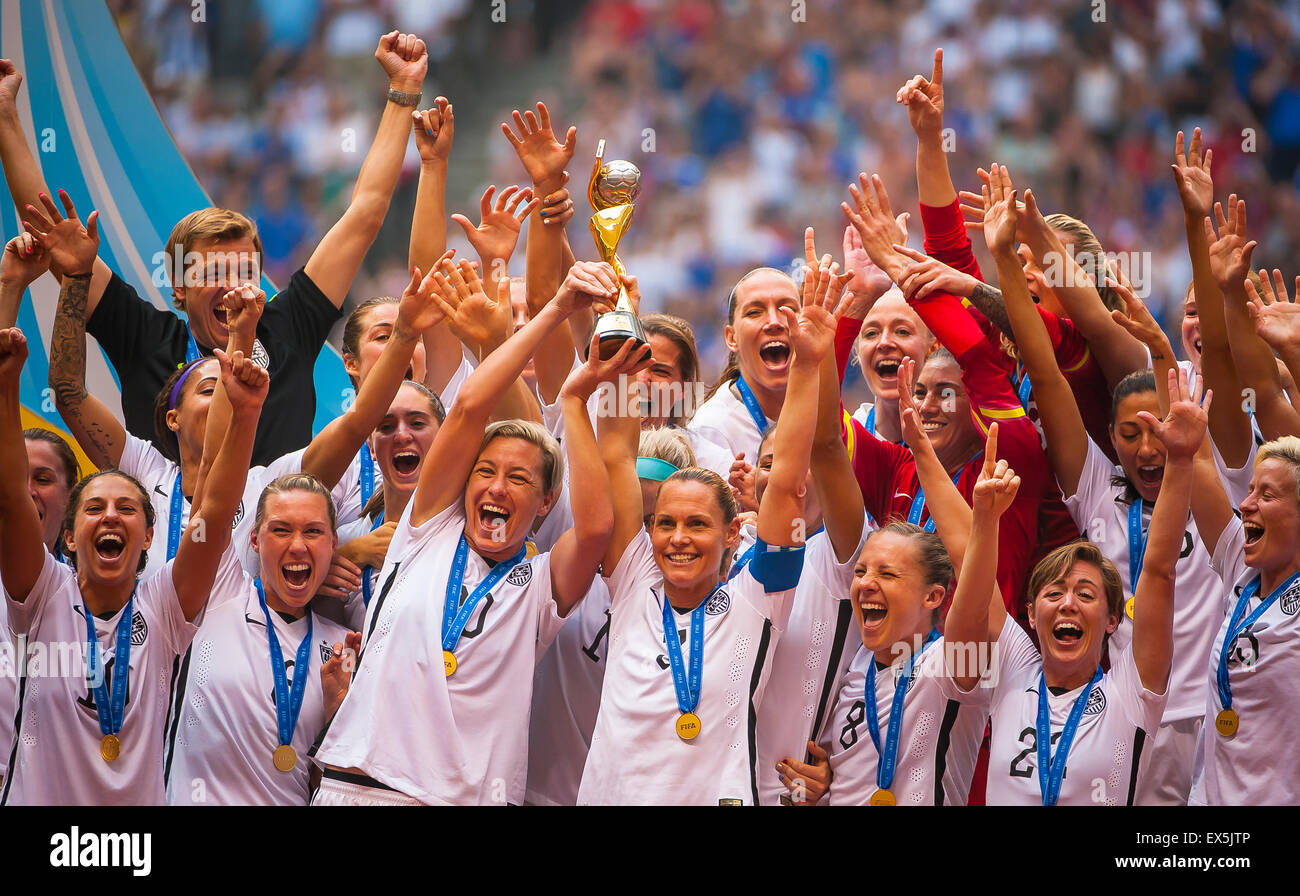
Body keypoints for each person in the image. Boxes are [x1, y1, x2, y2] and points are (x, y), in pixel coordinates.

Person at [0, 32, 429, 465]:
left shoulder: (290, 327)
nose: (230, 287)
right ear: (179, 289)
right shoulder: (147, 339)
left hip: (283, 531)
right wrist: (5, 118)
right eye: (210, 273)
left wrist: (402, 92)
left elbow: (365, 216)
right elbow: (54, 238)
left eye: (243, 272)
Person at [312, 259, 642, 805]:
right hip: (362, 788)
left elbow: (597, 526)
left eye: (519, 479)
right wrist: (555, 308)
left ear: (545, 502)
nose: (496, 488)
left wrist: (578, 402)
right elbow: (467, 406)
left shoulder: (540, 585)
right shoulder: (424, 530)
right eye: (485, 472)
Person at [983, 162, 1229, 804]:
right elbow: (1043, 367)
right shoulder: (1098, 489)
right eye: (1129, 434)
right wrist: (1003, 258)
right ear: (1110, 441)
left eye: (1161, 431)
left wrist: (1196, 226)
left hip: (1209, 717)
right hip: (1115, 715)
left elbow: (1215, 355)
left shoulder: (1214, 497)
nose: (1148, 448)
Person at [576, 263, 834, 805]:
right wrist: (621, 332)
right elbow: (619, 451)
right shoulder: (633, 581)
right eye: (665, 523)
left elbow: (785, 485)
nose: (677, 539)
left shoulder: (757, 599)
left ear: (733, 534)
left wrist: (809, 366)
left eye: (697, 524)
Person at [0, 325, 267, 805]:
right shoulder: (41, 593)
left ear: (149, 536)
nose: (109, 515)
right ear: (66, 536)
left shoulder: (164, 604)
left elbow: (212, 515)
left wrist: (245, 415)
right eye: (94, 507)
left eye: (127, 508)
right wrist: (4, 386)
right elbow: (10, 499)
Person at [945, 363, 1205, 805]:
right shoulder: (1012, 670)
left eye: (1086, 595)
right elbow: (967, 577)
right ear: (1029, 613)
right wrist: (984, 520)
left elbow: (1159, 570)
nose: (1067, 604)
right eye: (1053, 593)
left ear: (1111, 621)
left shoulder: (1128, 693)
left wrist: (1180, 460)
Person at [524, 426, 694, 806]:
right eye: (631, 516)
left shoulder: (700, 608)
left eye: (658, 520)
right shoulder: (568, 567)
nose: (640, 534)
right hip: (531, 793)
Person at [163, 474, 351, 806]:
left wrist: (336, 717)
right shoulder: (217, 594)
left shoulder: (342, 650)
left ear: (333, 543)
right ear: (254, 540)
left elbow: (332, 789)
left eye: (313, 531)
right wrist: (244, 420)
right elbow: (211, 502)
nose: (297, 544)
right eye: (280, 530)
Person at [1189, 432, 1300, 805]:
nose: (1246, 503)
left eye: (1266, 495)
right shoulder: (1244, 570)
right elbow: (1198, 461)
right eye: (1251, 490)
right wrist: (1162, 372)